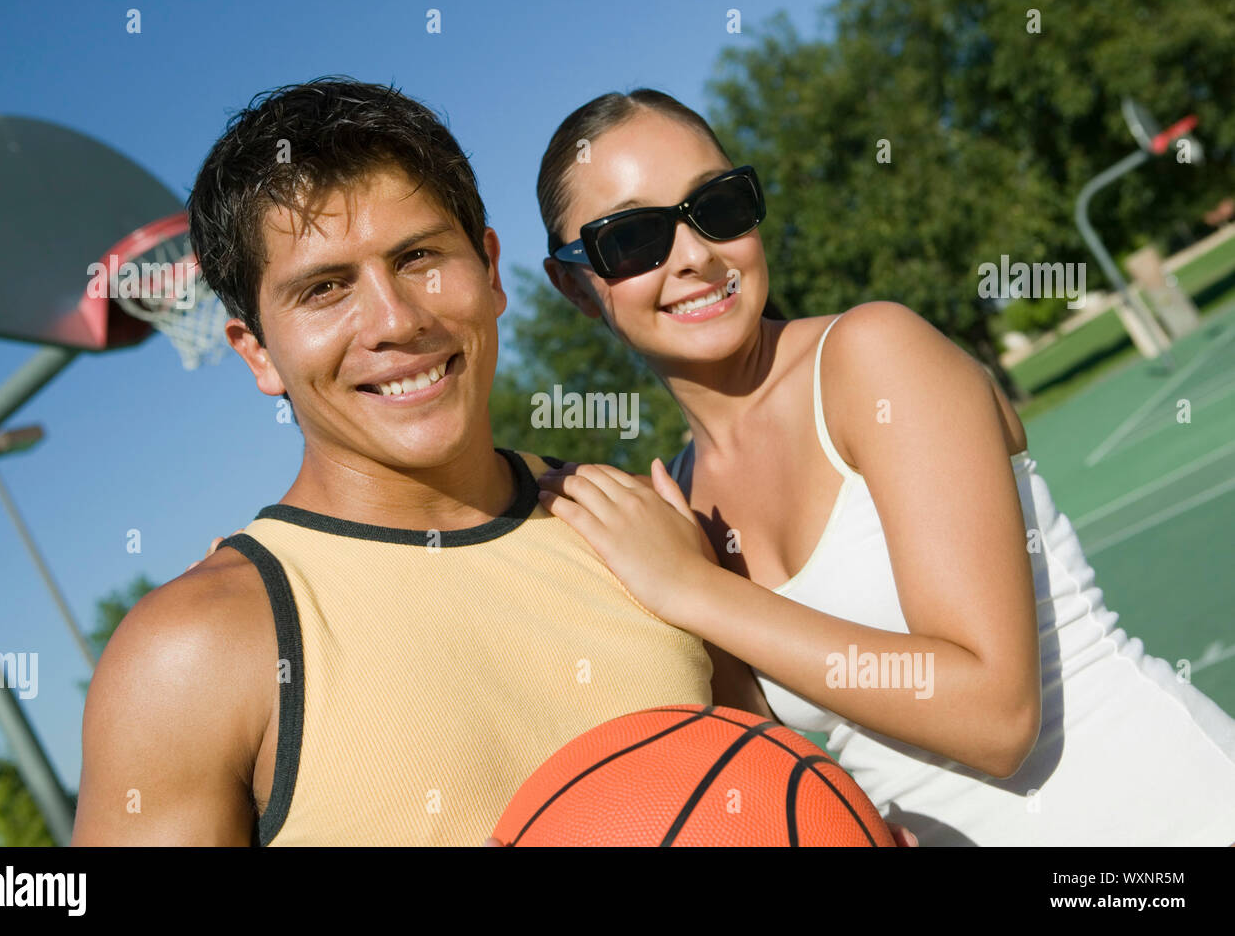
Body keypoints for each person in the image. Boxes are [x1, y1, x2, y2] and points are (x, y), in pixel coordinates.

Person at [70, 78, 786, 847]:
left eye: (419, 258)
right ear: (256, 353)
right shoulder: (192, 654)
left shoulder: (636, 529)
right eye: (325, 288)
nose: (395, 320)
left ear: (490, 269)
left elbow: (776, 794)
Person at [534, 88, 1235, 846]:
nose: (696, 254)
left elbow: (998, 718)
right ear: (575, 284)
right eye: (634, 238)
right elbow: (778, 777)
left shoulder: (874, 357)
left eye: (718, 205)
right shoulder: (682, 509)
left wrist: (694, 590)